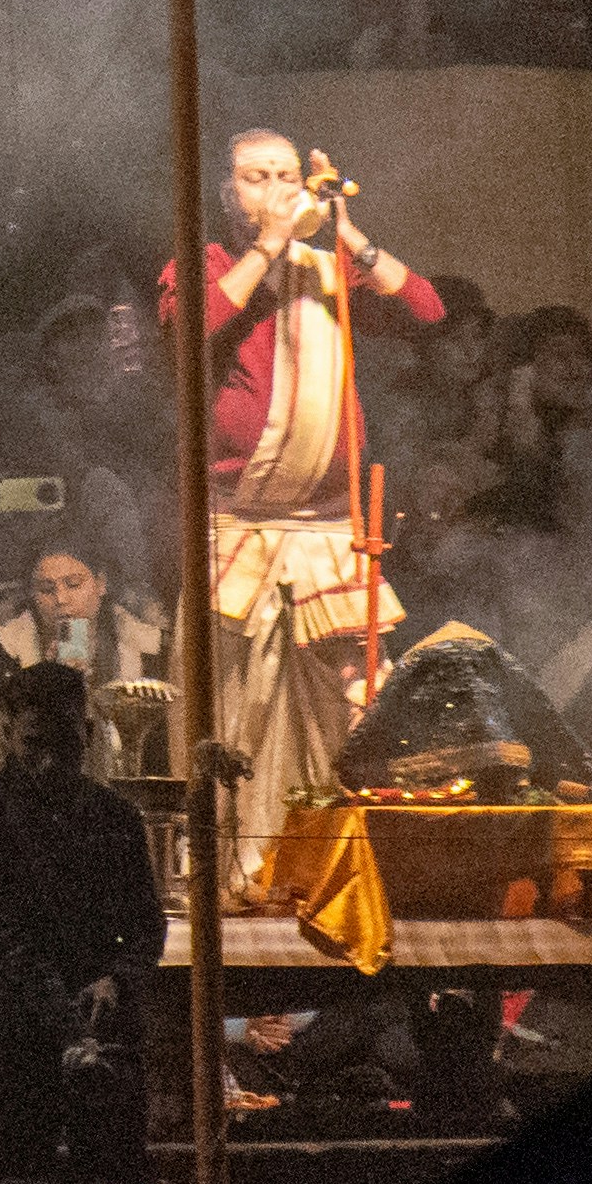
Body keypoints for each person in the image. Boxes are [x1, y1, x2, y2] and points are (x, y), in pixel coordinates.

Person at [162, 127, 442, 863]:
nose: (278, 189)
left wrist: (352, 237)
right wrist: (267, 250)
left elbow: (428, 312)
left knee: (350, 709)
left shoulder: (330, 271)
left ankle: (341, 864)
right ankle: (233, 870)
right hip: (241, 530)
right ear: (230, 198)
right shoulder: (212, 264)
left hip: (325, 533)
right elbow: (190, 327)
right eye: (258, 177)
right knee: (234, 715)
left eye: (288, 175)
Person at [0, 662, 151, 1184]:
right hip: (23, 1037)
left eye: (63, 744)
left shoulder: (117, 820)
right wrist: (70, 1019)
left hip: (107, 1028)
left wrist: (119, 980)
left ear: (85, 735)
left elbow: (144, 924)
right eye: (33, 744)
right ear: (8, 737)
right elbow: (7, 942)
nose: (47, 764)